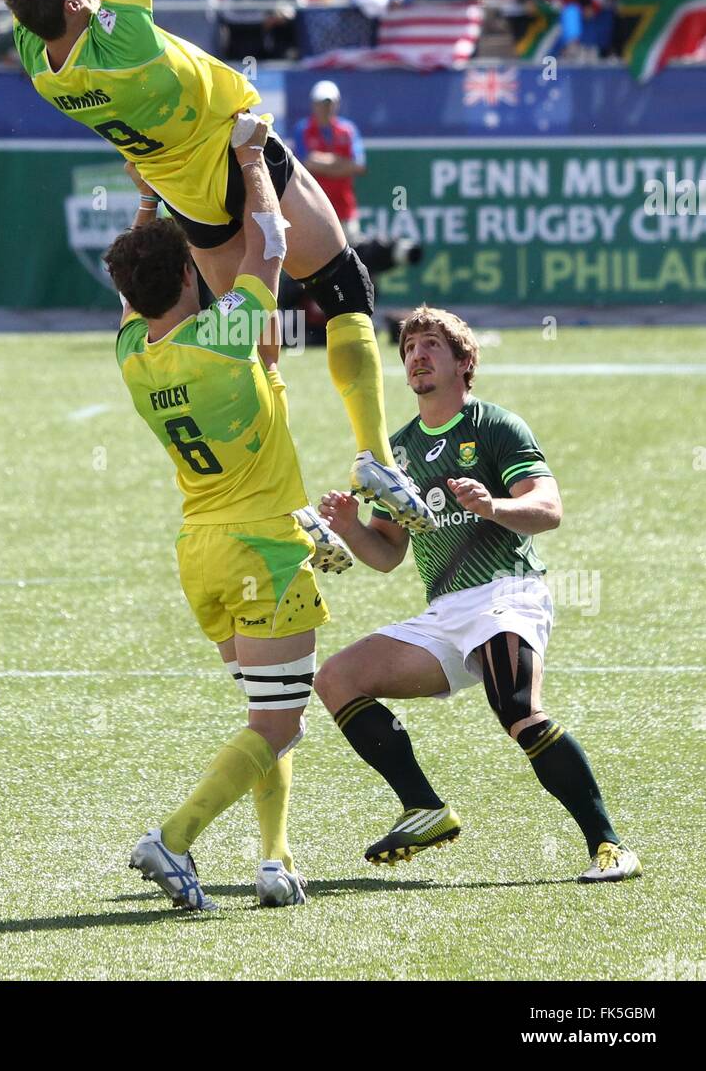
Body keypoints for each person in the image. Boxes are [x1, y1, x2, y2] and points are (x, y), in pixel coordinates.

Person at [0, 0, 436, 533]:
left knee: (254, 347)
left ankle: (295, 506)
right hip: (237, 150)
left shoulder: (42, 59)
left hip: (187, 198)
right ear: (73, 4)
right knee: (344, 287)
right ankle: (372, 452)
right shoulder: (121, 38)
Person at [314, 304, 643, 884]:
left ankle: (609, 846)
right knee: (336, 678)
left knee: (517, 710)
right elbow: (388, 554)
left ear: (465, 362)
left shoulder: (494, 426)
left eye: (431, 346)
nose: (416, 355)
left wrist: (494, 506)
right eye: (410, 348)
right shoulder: (394, 451)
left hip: (508, 595)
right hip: (444, 613)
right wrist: (349, 529)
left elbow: (549, 510)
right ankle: (425, 808)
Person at [108, 130, 344, 910]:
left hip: (201, 552)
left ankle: (275, 860)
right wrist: (249, 161)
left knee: (268, 718)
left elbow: (138, 284)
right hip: (263, 548)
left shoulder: (134, 352)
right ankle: (173, 839)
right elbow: (271, 240)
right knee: (278, 722)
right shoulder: (224, 336)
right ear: (186, 273)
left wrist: (147, 189)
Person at [292, 81, 365, 246]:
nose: (325, 108)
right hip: (313, 210)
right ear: (313, 104)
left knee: (351, 259)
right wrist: (338, 162)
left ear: (337, 104)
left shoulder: (348, 130)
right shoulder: (303, 129)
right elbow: (305, 164)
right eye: (321, 104)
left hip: (344, 210)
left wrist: (321, 162)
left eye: (329, 103)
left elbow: (358, 165)